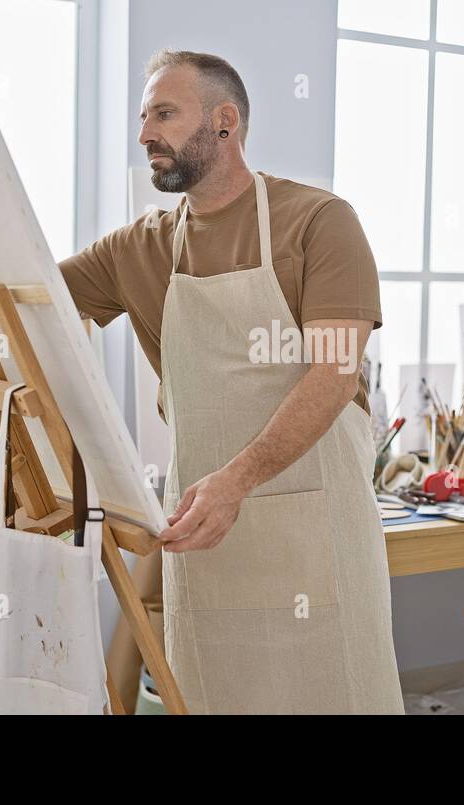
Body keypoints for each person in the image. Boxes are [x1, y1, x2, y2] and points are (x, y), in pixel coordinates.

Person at [58, 50, 403, 714]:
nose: (144, 135)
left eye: (164, 113)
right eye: (143, 116)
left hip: (317, 537)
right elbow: (30, 298)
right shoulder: (141, 248)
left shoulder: (320, 223)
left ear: (224, 122)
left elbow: (333, 374)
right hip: (208, 541)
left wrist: (238, 479)